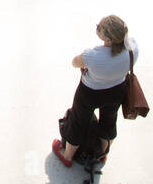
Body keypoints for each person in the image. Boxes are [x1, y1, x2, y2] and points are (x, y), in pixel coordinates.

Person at [53, 15, 138, 168]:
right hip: (117, 90)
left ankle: (67, 156)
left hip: (89, 92)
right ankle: (102, 154)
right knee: (109, 121)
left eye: (99, 27)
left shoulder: (93, 56)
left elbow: (74, 62)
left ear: (108, 39)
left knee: (78, 122)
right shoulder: (133, 48)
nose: (97, 27)